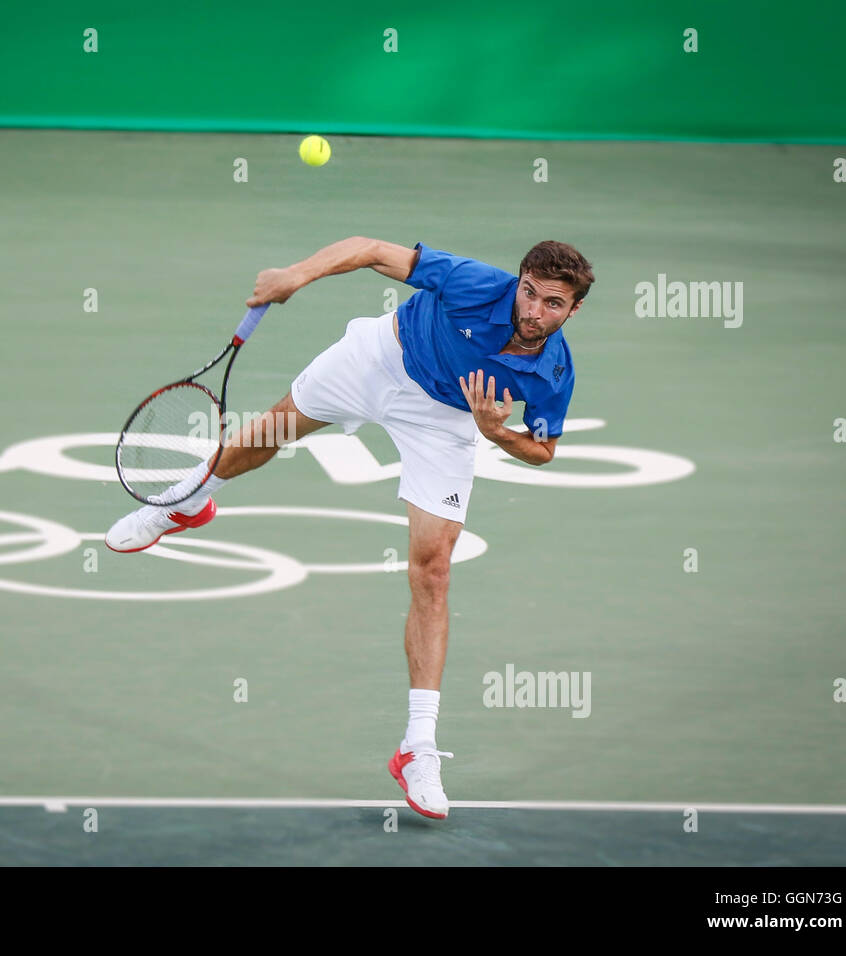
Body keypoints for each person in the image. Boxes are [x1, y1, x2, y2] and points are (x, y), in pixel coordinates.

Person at [106, 236, 594, 819]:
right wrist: (295, 274)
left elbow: (544, 450)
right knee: (266, 436)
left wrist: (496, 435)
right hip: (378, 359)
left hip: (443, 419)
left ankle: (418, 748)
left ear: (573, 310)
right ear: (518, 282)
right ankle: (184, 503)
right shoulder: (472, 283)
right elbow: (368, 249)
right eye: (529, 293)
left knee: (434, 570)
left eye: (552, 303)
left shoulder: (554, 371)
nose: (533, 310)